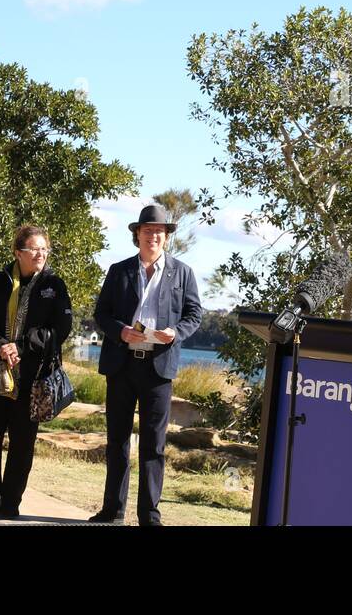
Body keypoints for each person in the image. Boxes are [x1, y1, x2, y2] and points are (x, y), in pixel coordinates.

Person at [89, 204, 202, 525]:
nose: (153, 236)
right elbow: (101, 314)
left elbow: (195, 315)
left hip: (159, 367)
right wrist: (120, 332)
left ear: (166, 237)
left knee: (154, 445)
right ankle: (112, 511)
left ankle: (149, 515)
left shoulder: (183, 273)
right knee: (117, 442)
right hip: (122, 365)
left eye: (159, 232)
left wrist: (175, 333)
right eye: (147, 230)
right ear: (137, 234)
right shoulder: (118, 270)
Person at [0, 225, 72, 519]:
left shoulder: (54, 285)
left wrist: (21, 347)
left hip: (32, 377)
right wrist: (1, 346)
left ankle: (10, 503)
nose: (40, 254)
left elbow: (60, 329)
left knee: (23, 442)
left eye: (44, 249)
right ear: (18, 252)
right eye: (34, 249)